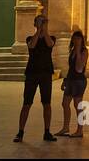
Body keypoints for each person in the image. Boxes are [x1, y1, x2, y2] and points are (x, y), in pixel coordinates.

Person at [14, 14, 58, 143]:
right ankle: (20, 132)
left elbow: (50, 44)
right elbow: (32, 46)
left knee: (47, 104)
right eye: (39, 22)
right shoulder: (30, 38)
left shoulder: (51, 38)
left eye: (43, 22)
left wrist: (44, 30)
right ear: (34, 24)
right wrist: (38, 31)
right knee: (27, 103)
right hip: (32, 74)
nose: (41, 23)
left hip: (45, 74)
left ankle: (47, 131)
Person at [57, 29, 89, 138]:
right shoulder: (71, 50)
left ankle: (80, 130)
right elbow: (71, 68)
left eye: (78, 38)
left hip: (79, 81)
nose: (76, 40)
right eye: (74, 38)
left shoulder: (84, 51)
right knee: (65, 103)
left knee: (77, 104)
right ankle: (65, 127)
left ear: (82, 40)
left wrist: (79, 50)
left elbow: (79, 68)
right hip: (70, 80)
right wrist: (65, 80)